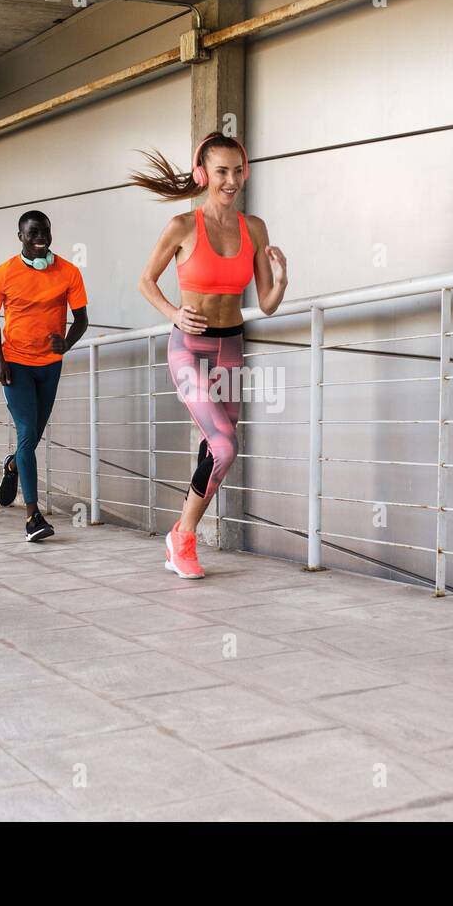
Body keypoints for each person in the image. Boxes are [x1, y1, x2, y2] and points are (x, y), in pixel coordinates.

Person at [131, 132, 288, 578]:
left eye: (238, 170)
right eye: (221, 171)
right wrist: (173, 313)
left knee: (212, 448)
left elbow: (268, 301)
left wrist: (281, 279)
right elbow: (145, 280)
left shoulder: (253, 228)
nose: (231, 180)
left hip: (231, 348)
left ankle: (180, 538)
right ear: (203, 174)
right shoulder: (182, 226)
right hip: (189, 348)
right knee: (224, 445)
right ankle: (183, 538)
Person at [0, 210, 89, 542]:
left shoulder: (69, 272)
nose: (40, 237)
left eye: (44, 231)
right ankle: (32, 517)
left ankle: (13, 465)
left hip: (50, 366)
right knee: (28, 432)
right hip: (16, 364)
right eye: (32, 233)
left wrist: (66, 343)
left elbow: (82, 319)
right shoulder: (3, 273)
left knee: (32, 437)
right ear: (21, 237)